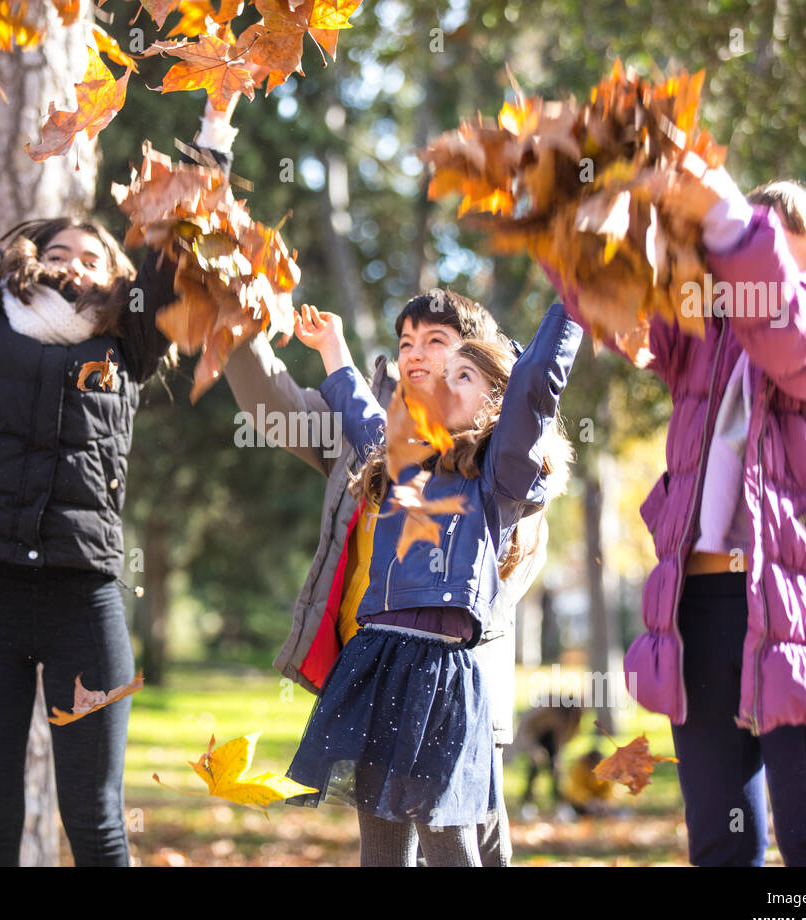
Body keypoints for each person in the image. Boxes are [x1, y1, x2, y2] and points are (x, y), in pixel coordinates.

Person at [0, 18, 234, 866]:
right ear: (31, 259)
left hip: (84, 606)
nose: (76, 262)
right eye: (60, 249)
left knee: (96, 827)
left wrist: (215, 127)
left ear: (116, 280)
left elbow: (175, 251)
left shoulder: (129, 344)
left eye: (95, 256)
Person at [543, 166, 806, 866]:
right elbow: (614, 308)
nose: (729, 254)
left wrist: (731, 219)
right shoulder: (704, 332)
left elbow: (792, 343)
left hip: (792, 613)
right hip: (698, 609)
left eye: (764, 237)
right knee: (720, 843)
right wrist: (565, 216)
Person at [223, 291, 565, 866]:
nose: (433, 375)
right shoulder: (402, 459)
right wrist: (333, 350)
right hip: (377, 662)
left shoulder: (497, 480)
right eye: (410, 347)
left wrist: (570, 302)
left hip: (441, 675)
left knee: (450, 840)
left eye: (459, 371)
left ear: (495, 405)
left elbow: (538, 379)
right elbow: (361, 415)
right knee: (380, 845)